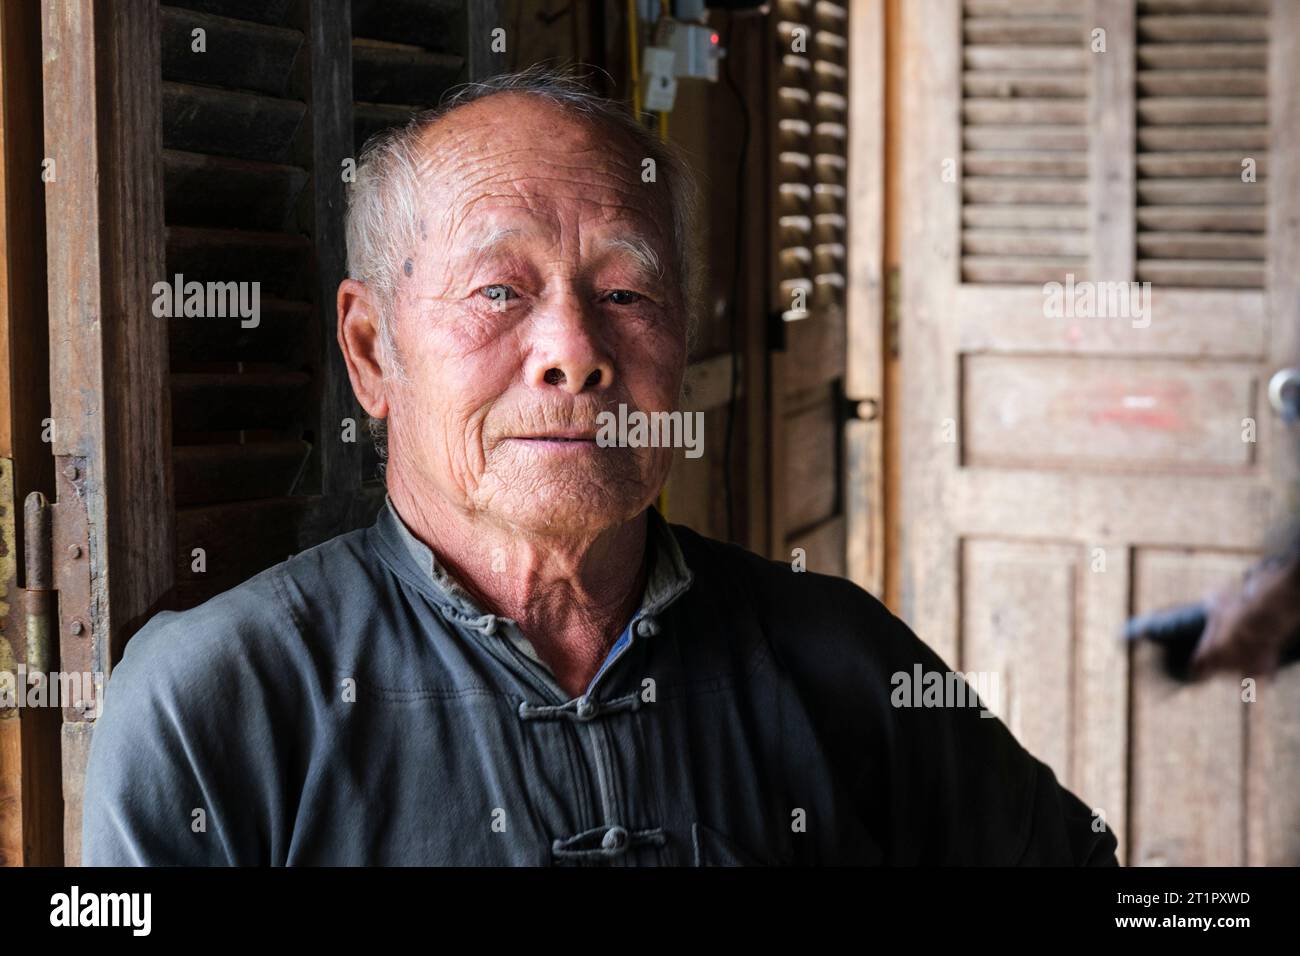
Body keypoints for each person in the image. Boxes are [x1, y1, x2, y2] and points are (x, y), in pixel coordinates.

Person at [81, 68, 1116, 866]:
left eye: (625, 292)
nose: (572, 348)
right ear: (370, 350)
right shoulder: (214, 697)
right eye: (498, 290)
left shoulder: (837, 654)